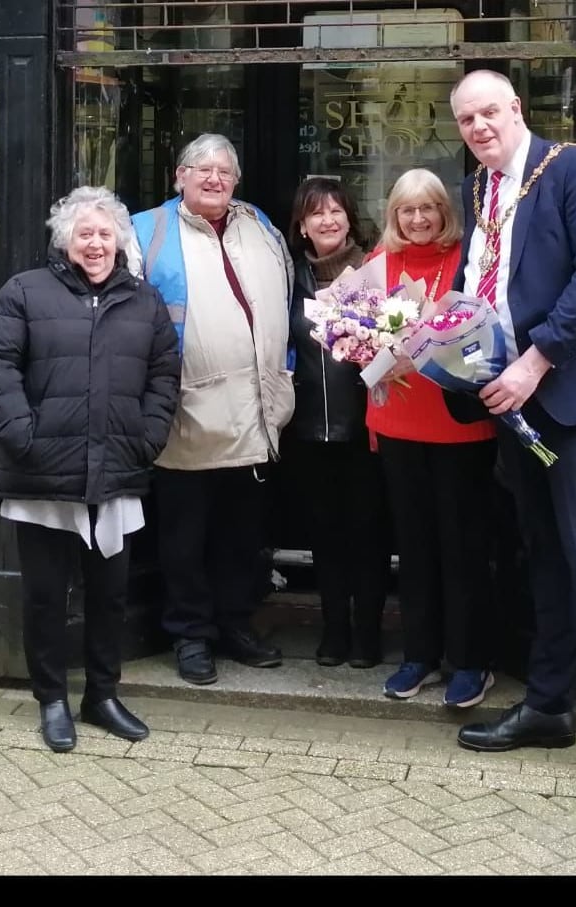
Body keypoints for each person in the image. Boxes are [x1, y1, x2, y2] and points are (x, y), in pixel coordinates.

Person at [448, 69, 576, 809]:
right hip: (515, 412)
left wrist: (535, 361)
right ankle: (549, 706)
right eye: (467, 119)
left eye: (489, 112)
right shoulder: (477, 191)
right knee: (542, 555)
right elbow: (484, 291)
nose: (480, 127)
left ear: (516, 109)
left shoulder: (571, 167)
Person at [0, 186, 180, 753]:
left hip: (114, 472)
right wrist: (21, 434)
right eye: (84, 233)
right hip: (43, 475)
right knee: (45, 595)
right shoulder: (25, 292)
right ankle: (52, 699)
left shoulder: (144, 301)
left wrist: (148, 435)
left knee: (109, 595)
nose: (95, 242)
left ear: (119, 240)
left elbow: (164, 374)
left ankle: (102, 696)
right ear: (66, 241)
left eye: (105, 232)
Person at [128, 133, 295, 686]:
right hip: (185, 417)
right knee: (183, 538)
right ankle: (190, 634)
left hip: (254, 414)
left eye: (225, 171)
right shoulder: (145, 230)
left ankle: (234, 625)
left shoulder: (261, 226)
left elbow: (286, 305)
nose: (214, 179)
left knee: (240, 534)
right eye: (202, 169)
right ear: (178, 176)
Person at [365, 168, 498, 704]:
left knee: (463, 547)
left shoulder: (468, 262)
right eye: (407, 210)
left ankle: (471, 661)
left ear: (446, 212)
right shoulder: (377, 266)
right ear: (393, 216)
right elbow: (353, 339)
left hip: (459, 426)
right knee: (414, 547)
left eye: (429, 209)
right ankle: (419, 655)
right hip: (396, 424)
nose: (418, 219)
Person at [286, 177, 391, 668]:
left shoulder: (377, 270)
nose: (327, 221)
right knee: (323, 535)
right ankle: (333, 630)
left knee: (368, 536)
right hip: (309, 430)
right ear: (302, 227)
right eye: (315, 214)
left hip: (367, 428)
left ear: (350, 217)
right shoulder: (290, 279)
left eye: (336, 211)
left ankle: (368, 632)